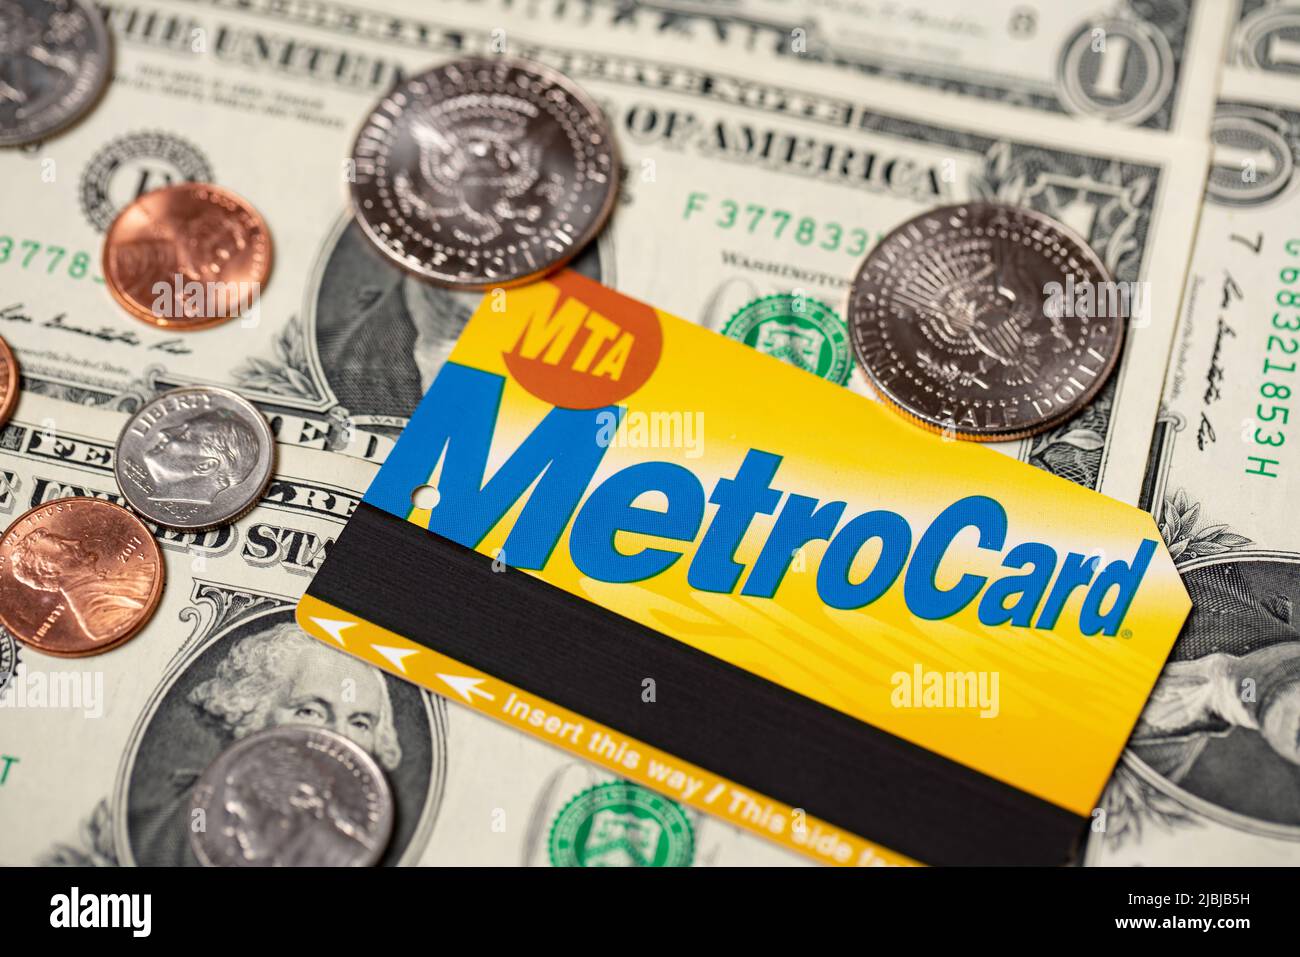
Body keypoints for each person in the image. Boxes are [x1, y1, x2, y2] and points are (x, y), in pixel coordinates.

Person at [130, 622, 402, 865]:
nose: (341, 738)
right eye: (310, 712)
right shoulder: (154, 832)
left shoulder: (348, 845)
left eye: (360, 723)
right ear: (250, 712)